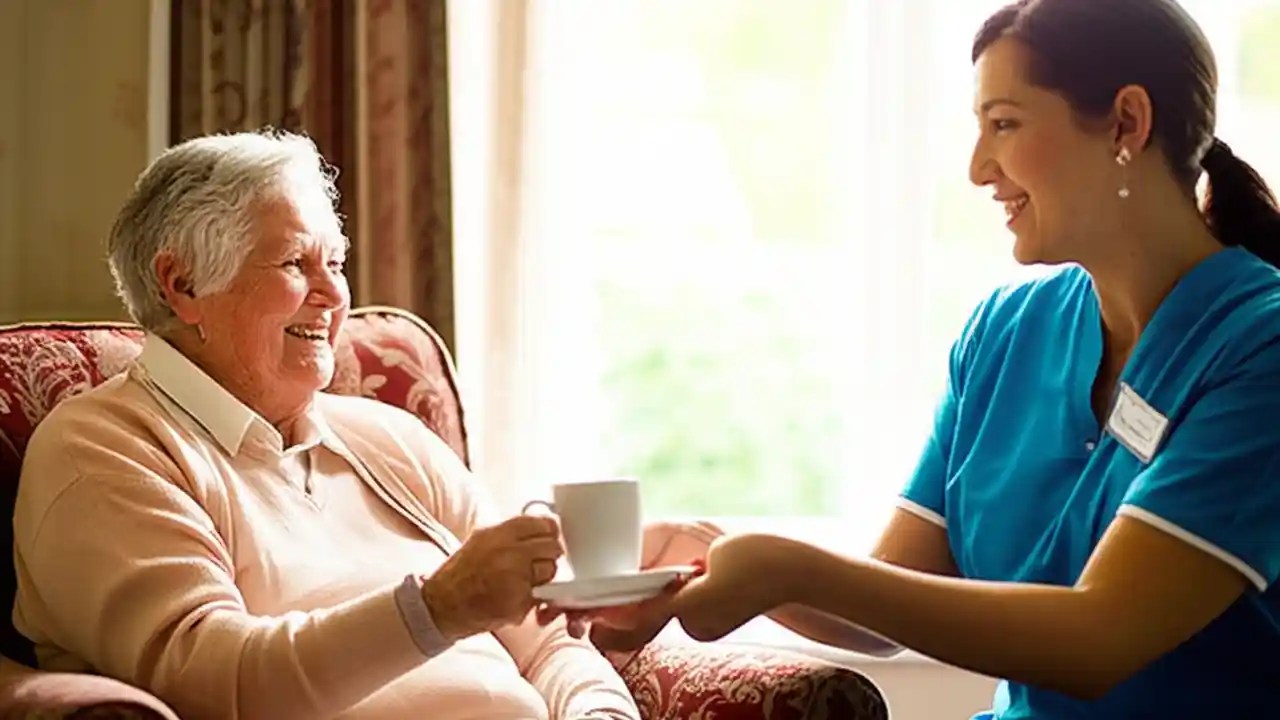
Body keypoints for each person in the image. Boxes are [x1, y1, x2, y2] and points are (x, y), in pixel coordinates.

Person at [555, 1, 1280, 717]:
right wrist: (719, 552)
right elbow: (878, 603)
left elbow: (1098, 640)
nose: (976, 168)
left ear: (1126, 123)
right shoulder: (1004, 332)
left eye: (1004, 124)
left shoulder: (1260, 347)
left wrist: (790, 568)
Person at [12, 131, 640, 720]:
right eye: (295, 263)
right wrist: (440, 608)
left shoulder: (393, 440)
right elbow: (216, 681)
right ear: (183, 285)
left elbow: (551, 639)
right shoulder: (103, 450)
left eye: (335, 262)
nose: (334, 294)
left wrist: (597, 711)